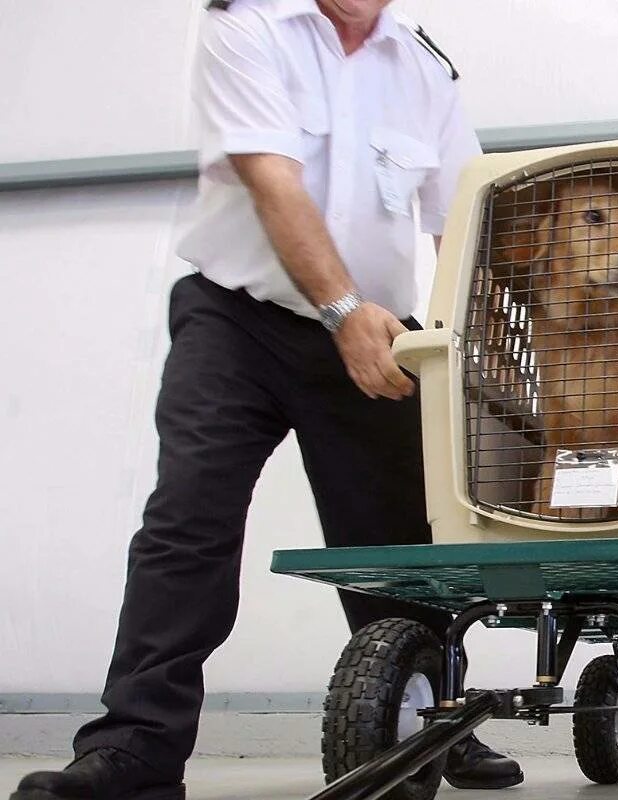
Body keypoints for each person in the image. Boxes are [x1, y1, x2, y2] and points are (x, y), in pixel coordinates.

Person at [11, 2, 523, 798]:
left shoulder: (424, 69)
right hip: (235, 320)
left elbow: (464, 223)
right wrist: (342, 312)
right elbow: (269, 179)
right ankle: (136, 751)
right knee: (188, 524)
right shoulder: (246, 25)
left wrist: (476, 350)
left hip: (382, 332)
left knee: (396, 545)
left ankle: (435, 722)